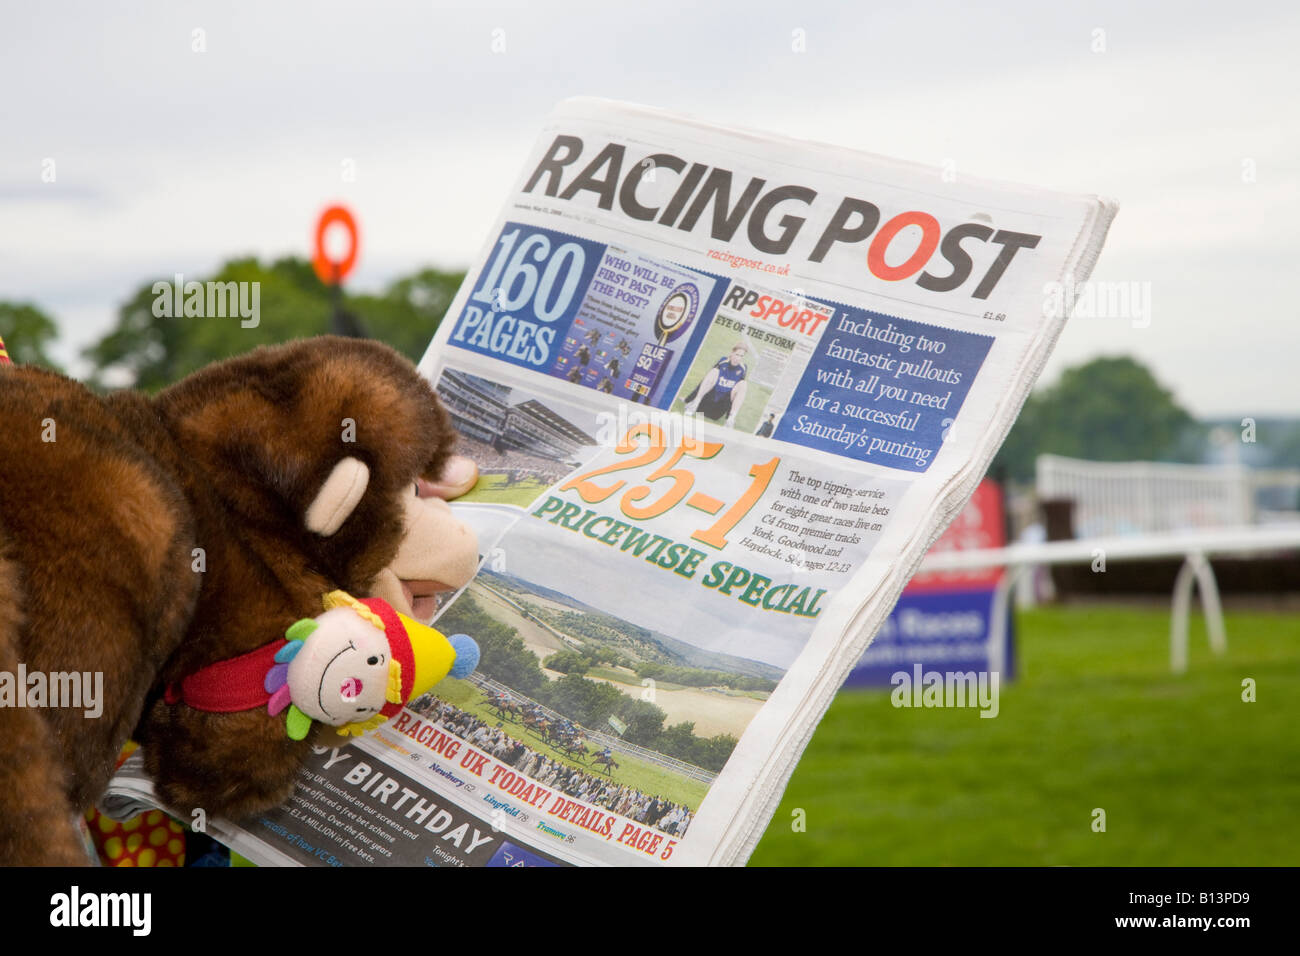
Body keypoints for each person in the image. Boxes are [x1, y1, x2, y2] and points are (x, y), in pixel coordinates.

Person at [684, 341, 749, 427]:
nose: (738, 358)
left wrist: (728, 415)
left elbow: (737, 395)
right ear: (732, 353)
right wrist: (688, 399)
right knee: (714, 371)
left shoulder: (743, 368)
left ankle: (731, 419)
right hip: (706, 402)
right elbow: (706, 381)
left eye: (741, 356)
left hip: (719, 407)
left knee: (743, 384)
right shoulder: (723, 361)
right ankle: (695, 404)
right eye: (737, 354)